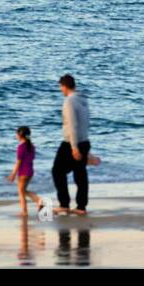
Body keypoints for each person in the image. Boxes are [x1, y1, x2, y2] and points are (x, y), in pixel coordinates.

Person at [51, 74, 91, 215]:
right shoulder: (83, 100)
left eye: (61, 87)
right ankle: (81, 207)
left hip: (70, 143)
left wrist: (74, 147)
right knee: (80, 174)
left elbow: (72, 125)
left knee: (57, 171)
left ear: (65, 86)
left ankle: (64, 204)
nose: (60, 90)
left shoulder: (69, 101)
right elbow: (85, 123)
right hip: (84, 141)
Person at [7, 125, 44, 217]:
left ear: (20, 135)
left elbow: (18, 162)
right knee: (23, 191)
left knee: (21, 192)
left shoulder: (21, 147)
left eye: (16, 134)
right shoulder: (31, 146)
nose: (16, 136)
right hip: (30, 171)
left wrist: (13, 174)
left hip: (23, 172)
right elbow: (32, 158)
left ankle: (25, 211)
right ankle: (39, 201)